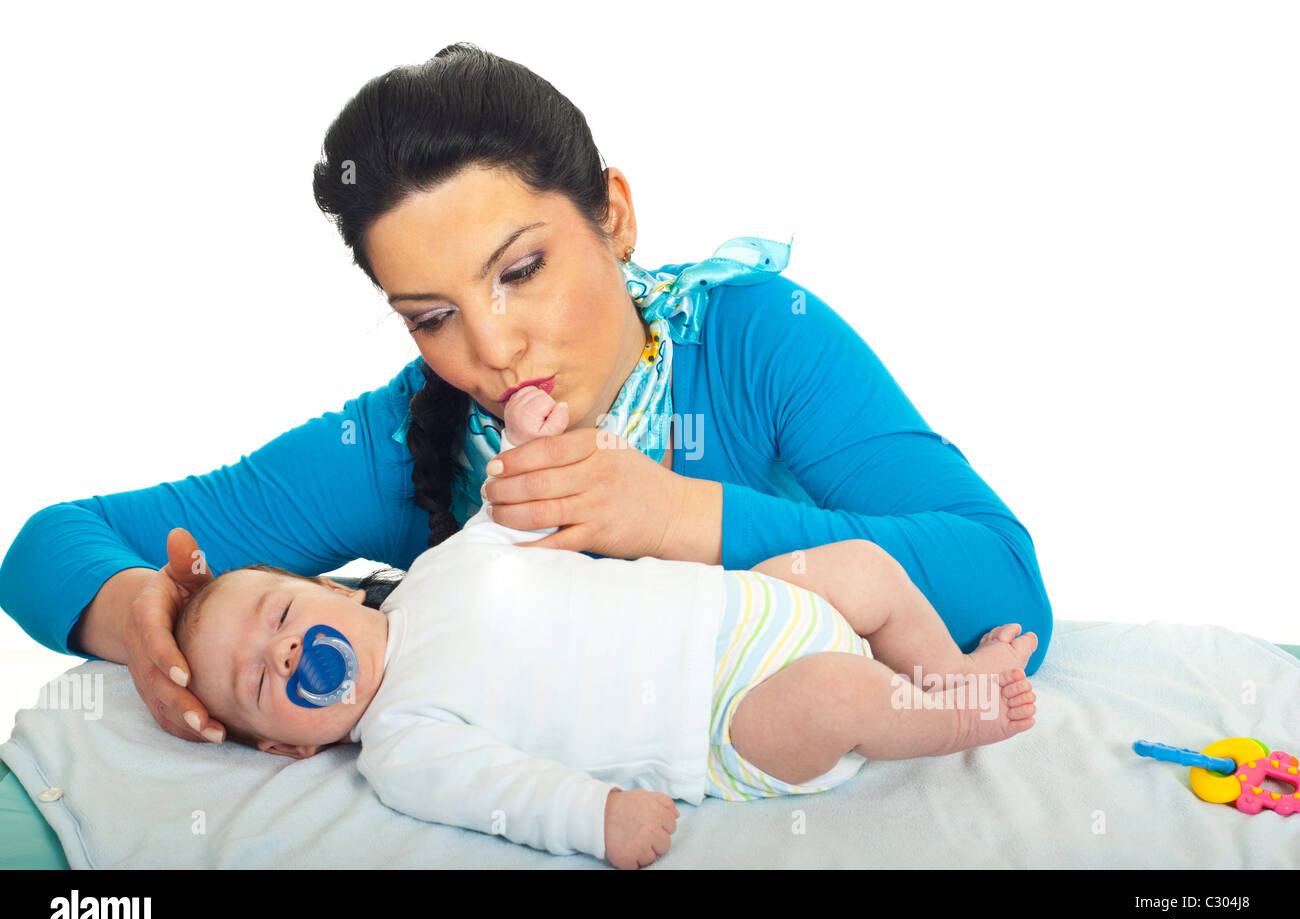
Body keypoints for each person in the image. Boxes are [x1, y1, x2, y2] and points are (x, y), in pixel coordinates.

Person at [0, 42, 1053, 748]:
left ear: (615, 215)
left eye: (519, 270)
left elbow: (1008, 591)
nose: (494, 347)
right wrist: (128, 608)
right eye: (431, 314)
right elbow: (53, 541)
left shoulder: (754, 339)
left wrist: (681, 518)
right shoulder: (405, 438)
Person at [171, 383, 1038, 869]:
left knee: (861, 568)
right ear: (288, 748)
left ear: (344, 593)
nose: (282, 651)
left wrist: (522, 442)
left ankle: (948, 666)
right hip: (724, 721)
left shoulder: (440, 574)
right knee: (843, 698)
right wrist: (599, 815)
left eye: (282, 615)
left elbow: (508, 517)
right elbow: (509, 795)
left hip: (747, 603)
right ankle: (963, 713)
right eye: (259, 680)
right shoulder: (404, 746)